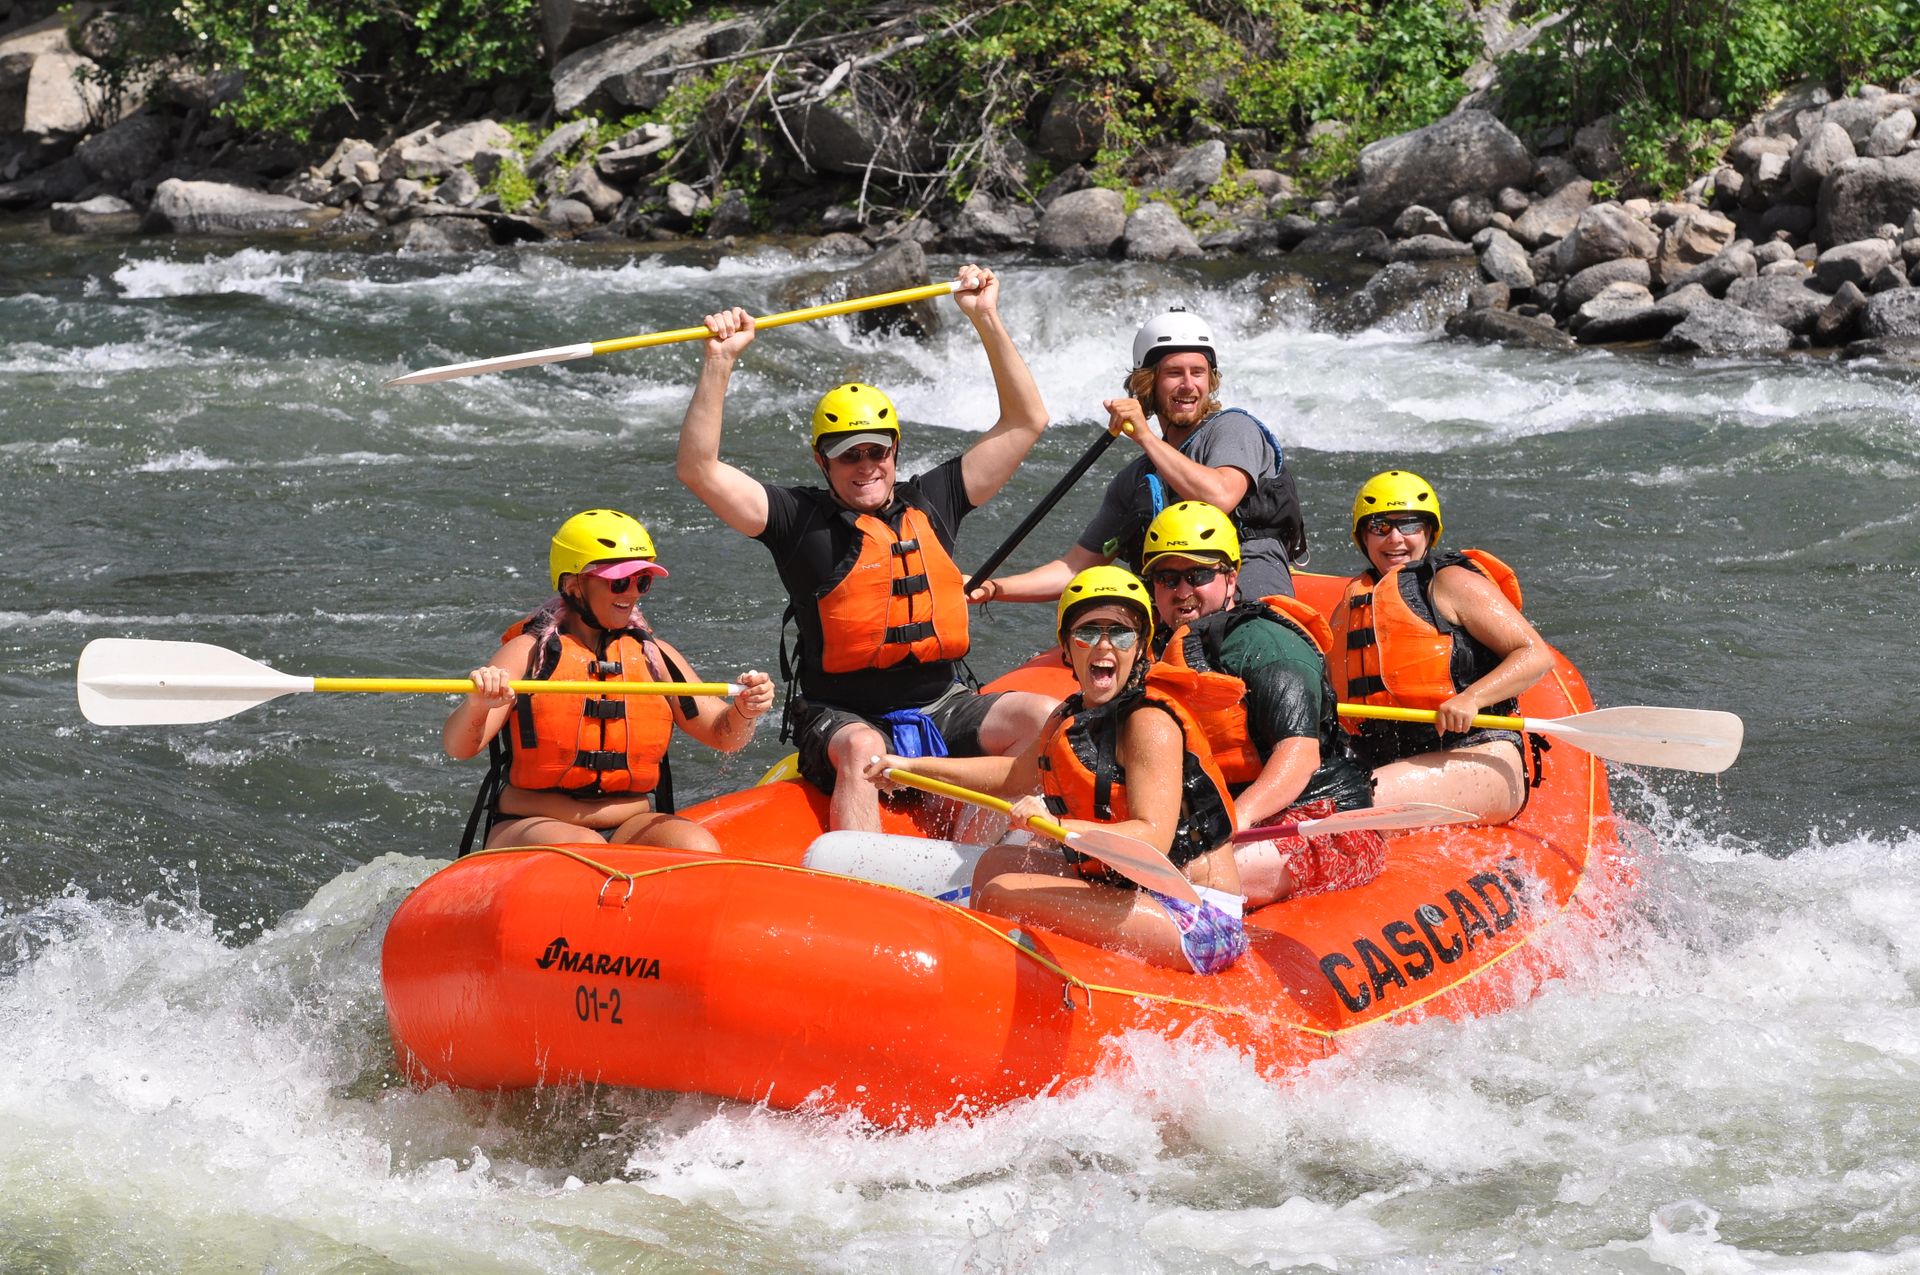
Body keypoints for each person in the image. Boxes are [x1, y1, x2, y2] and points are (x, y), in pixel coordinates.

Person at [675, 263, 1058, 833]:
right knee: (861, 751)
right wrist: (719, 361)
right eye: (848, 455)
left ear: (895, 450)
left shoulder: (933, 501)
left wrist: (986, 319)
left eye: (876, 452)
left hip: (942, 705)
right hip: (843, 716)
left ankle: (987, 853)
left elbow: (1027, 421)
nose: (865, 467)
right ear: (821, 461)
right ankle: (865, 878)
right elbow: (698, 469)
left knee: (1046, 716)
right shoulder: (796, 519)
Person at [864, 566, 1247, 975]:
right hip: (1133, 888)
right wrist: (909, 766)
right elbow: (1012, 775)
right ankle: (1004, 971)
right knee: (996, 863)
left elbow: (1152, 836)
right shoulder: (1070, 715)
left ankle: (989, 983)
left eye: (1119, 634)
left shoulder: (1148, 722)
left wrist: (1058, 825)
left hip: (1198, 917)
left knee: (1003, 893)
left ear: (1139, 648)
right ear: (1067, 648)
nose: (1103, 645)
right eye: (1087, 633)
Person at [446, 509, 777, 854]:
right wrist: (479, 704)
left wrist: (744, 711)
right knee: (587, 848)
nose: (632, 593)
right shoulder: (527, 653)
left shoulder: (655, 656)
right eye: (619, 581)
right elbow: (460, 747)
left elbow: (724, 735)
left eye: (642, 581)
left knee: (698, 846)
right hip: (529, 825)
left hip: (628, 824)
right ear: (574, 585)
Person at [971, 307, 1305, 605]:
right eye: (1174, 373)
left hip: (1250, 585)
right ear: (1148, 383)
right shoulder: (1135, 481)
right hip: (1179, 603)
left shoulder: (1233, 429)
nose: (1189, 385)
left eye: (1198, 372)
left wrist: (1144, 436)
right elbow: (1074, 568)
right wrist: (992, 588)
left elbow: (1219, 496)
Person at [1141, 501, 1383, 908]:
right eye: (1167, 578)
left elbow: (1300, 754)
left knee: (1176, 882)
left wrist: (1233, 820)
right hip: (1230, 818)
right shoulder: (1159, 652)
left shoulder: (1266, 645)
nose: (1181, 592)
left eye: (1197, 575)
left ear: (1231, 579)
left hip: (1325, 823)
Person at [1329, 470, 1553, 823]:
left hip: (1476, 753)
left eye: (1409, 525)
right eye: (1379, 527)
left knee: (1344, 803)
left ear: (1430, 531)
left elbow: (1535, 655)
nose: (1395, 538)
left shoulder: (1450, 582)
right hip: (1388, 757)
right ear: (1363, 537)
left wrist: (1472, 698)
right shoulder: (1350, 607)